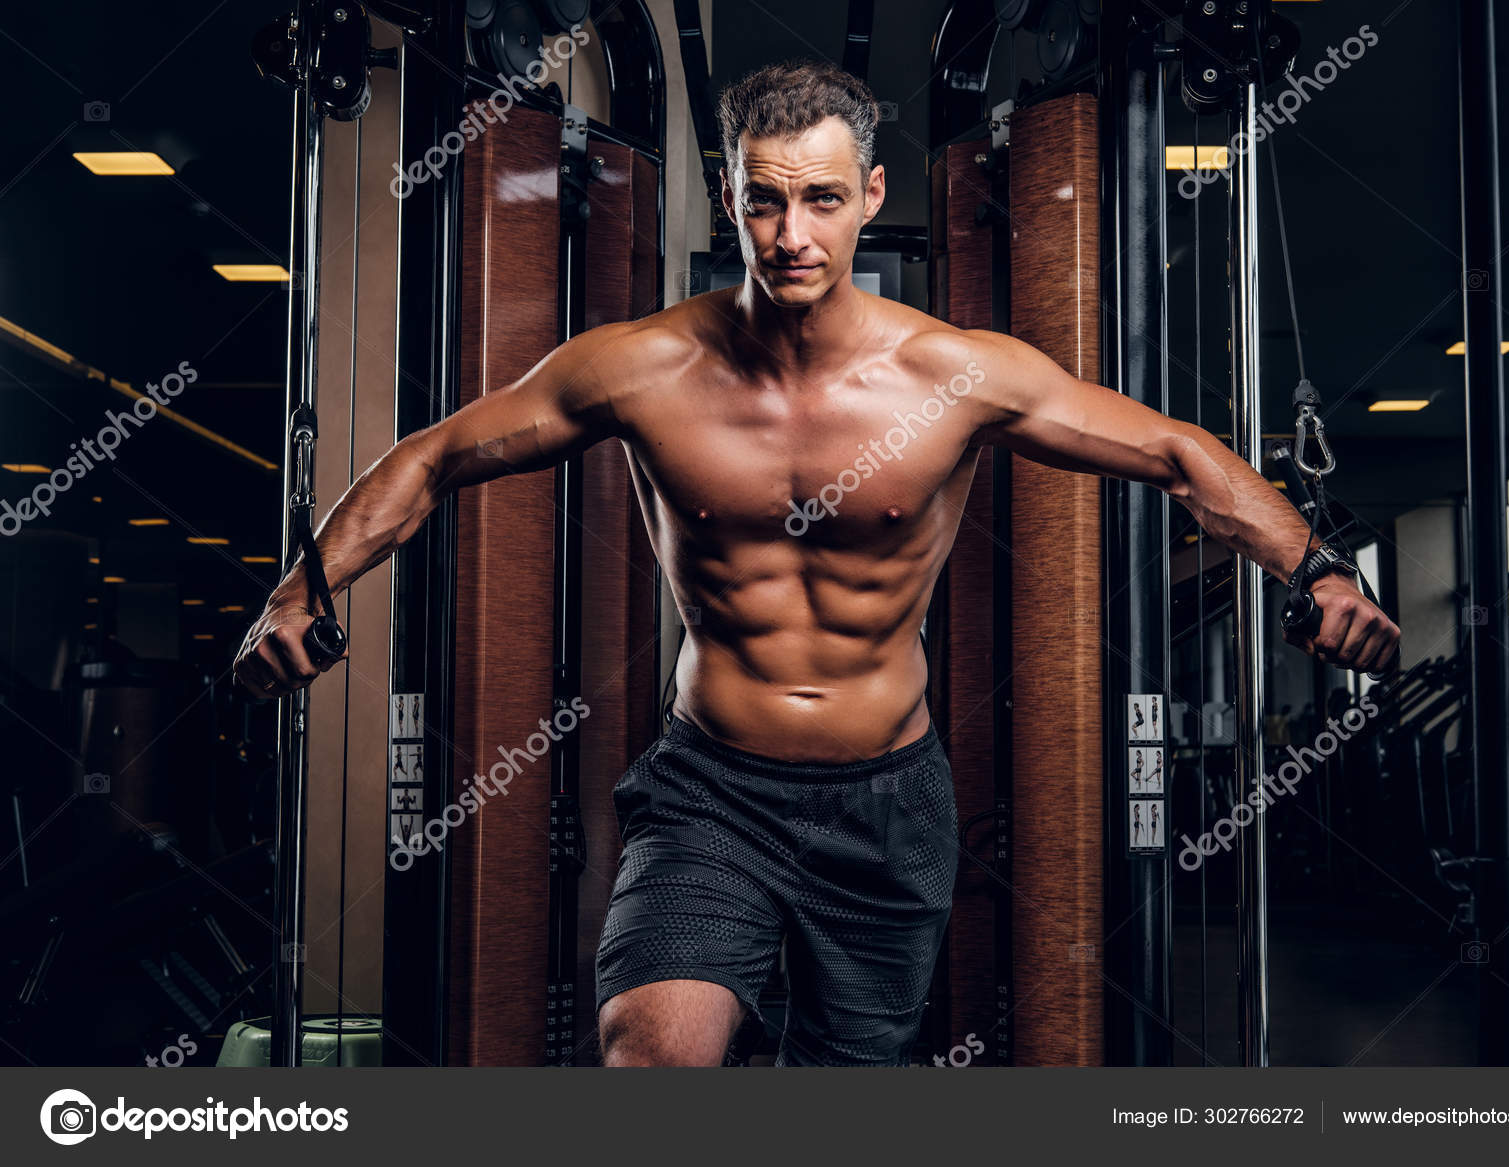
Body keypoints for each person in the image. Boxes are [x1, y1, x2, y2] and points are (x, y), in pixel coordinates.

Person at [231, 59, 1399, 1066]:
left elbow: (1178, 452)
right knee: (651, 1047)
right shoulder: (638, 369)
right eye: (764, 202)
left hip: (889, 801)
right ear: (736, 201)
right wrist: (303, 589)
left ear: (869, 198)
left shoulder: (956, 373)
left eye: (823, 201)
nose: (792, 236)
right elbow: (431, 458)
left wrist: (1322, 573)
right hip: (711, 792)